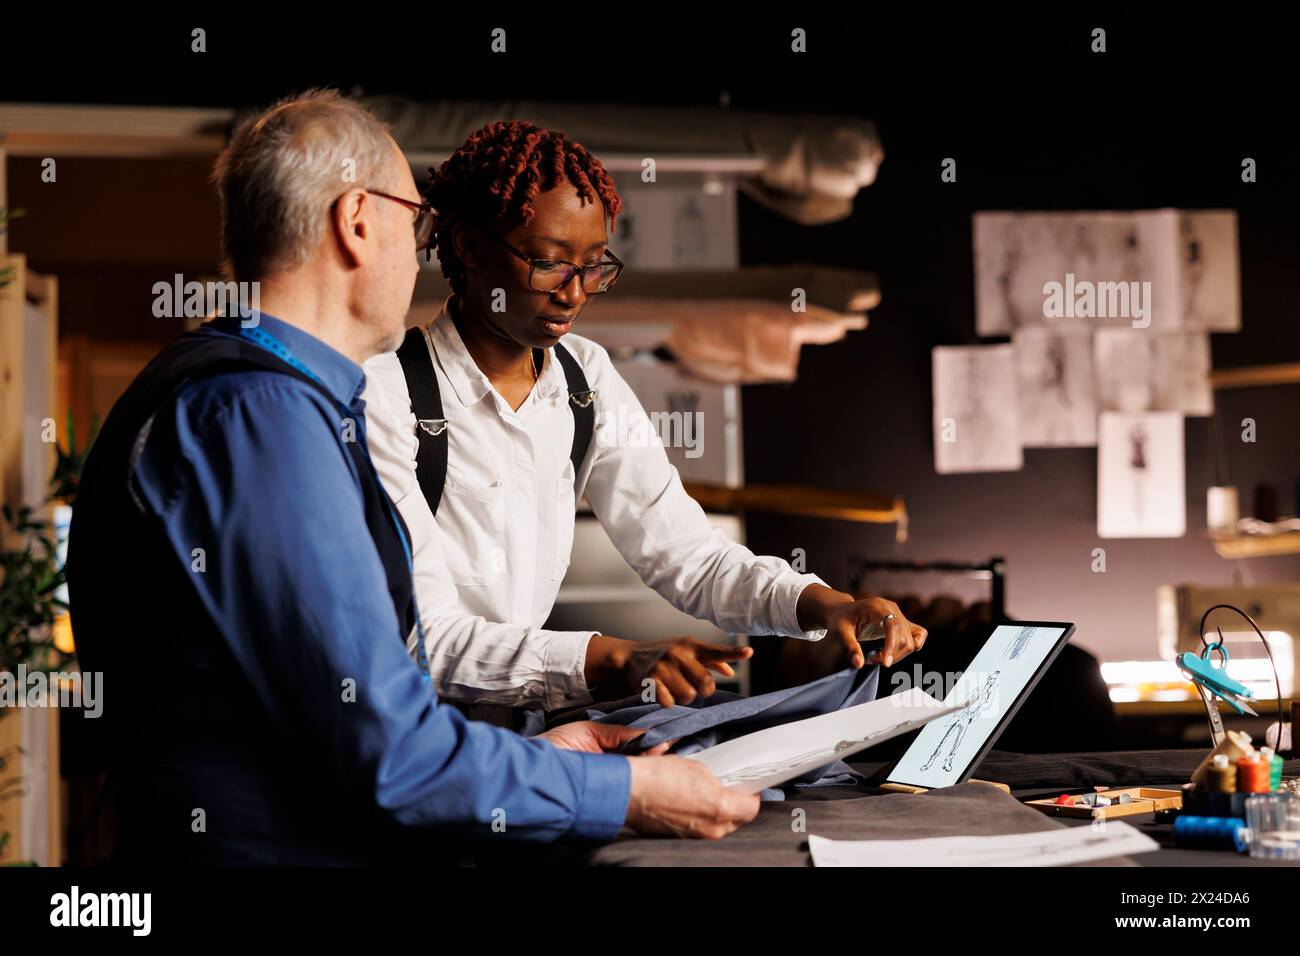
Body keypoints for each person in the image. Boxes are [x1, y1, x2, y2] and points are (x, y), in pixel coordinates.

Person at [66, 91, 757, 865]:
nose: (425, 245)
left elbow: (364, 711)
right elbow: (387, 747)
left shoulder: (258, 395)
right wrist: (621, 793)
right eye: (416, 218)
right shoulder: (260, 415)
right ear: (358, 221)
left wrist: (548, 760)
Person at [362, 120, 928, 716]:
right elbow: (423, 639)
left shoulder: (584, 379)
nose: (574, 293)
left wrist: (822, 603)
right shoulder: (387, 391)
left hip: (510, 727)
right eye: (550, 264)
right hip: (396, 733)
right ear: (468, 247)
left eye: (594, 266)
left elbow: (685, 552)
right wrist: (611, 659)